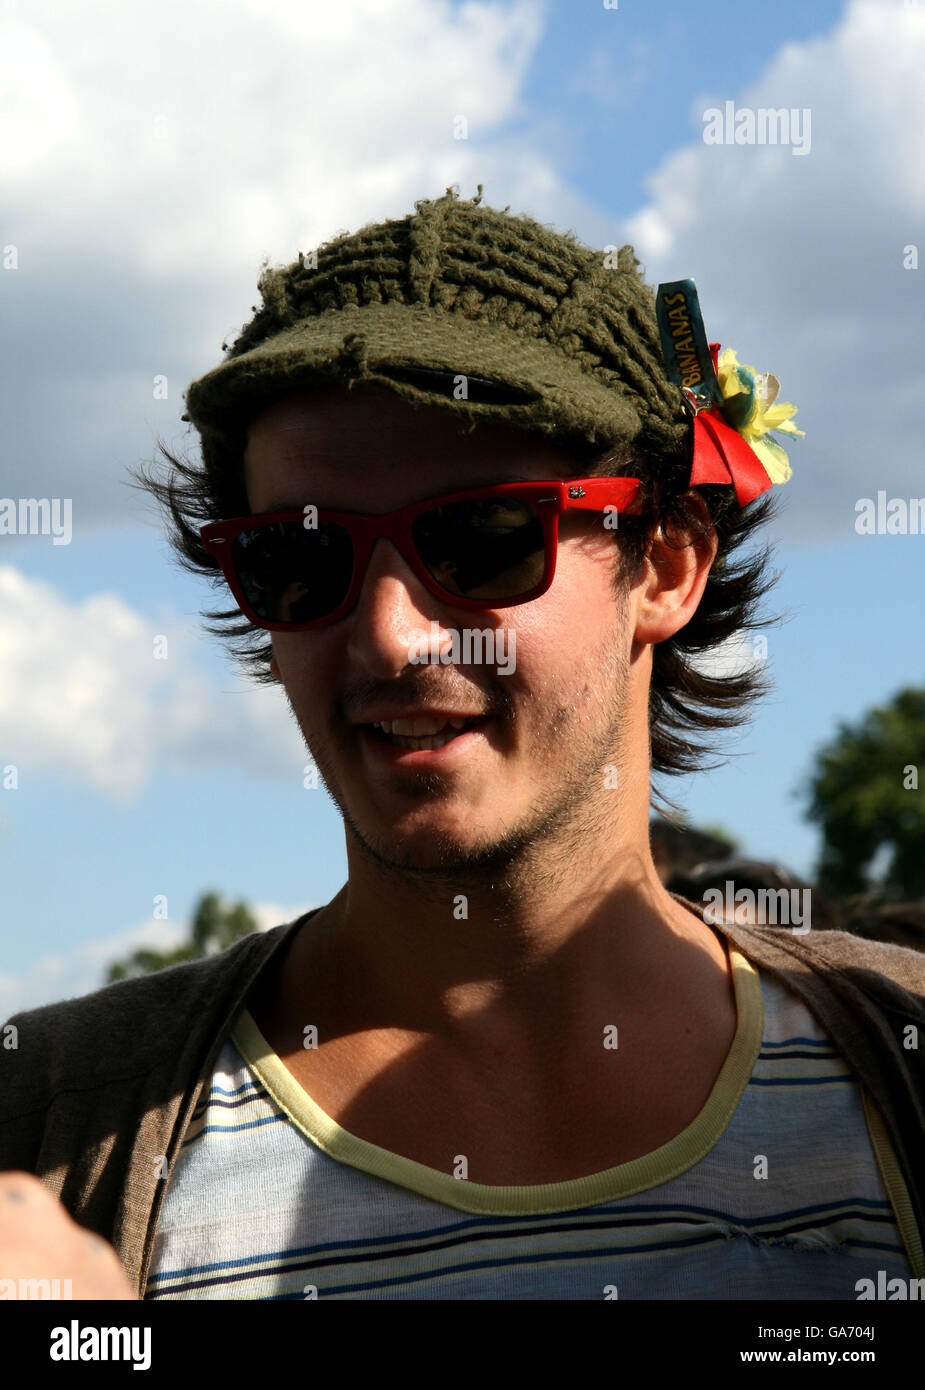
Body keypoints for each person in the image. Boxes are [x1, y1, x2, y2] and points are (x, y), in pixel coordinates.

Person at [2, 186, 923, 1301]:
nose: (388, 633)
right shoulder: (55, 1137)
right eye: (302, 557)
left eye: (482, 538)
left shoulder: (895, 1077)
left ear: (668, 564)